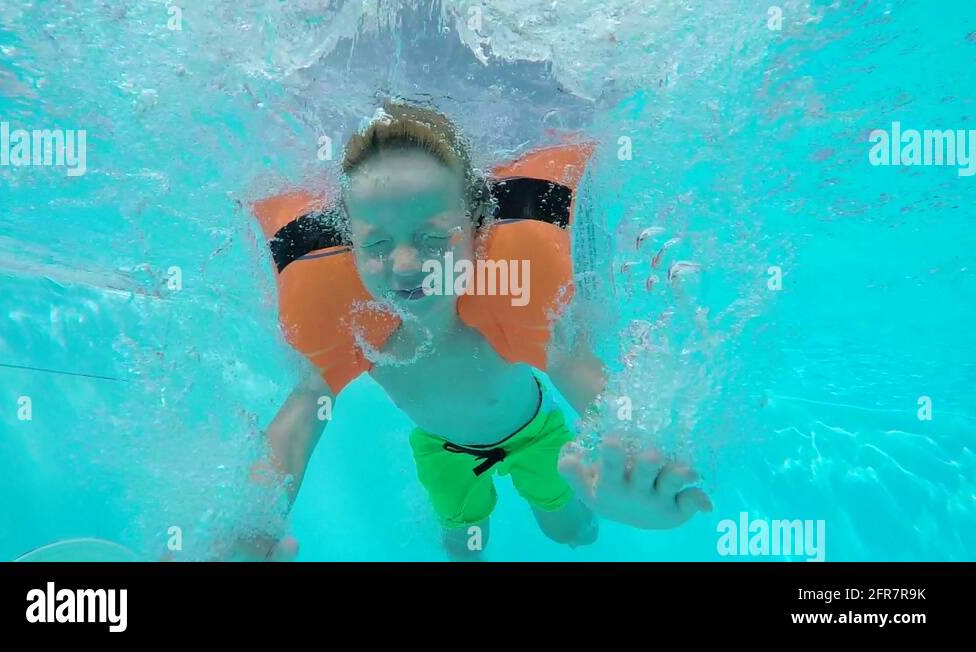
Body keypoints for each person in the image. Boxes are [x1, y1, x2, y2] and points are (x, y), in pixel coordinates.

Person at [246, 102, 711, 560]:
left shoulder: (519, 298)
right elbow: (300, 418)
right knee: (464, 549)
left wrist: (640, 466)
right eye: (378, 244)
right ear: (351, 243)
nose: (406, 266)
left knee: (570, 532)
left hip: (534, 434)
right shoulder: (350, 322)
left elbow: (592, 383)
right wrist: (249, 529)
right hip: (442, 450)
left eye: (433, 238)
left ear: (476, 224)